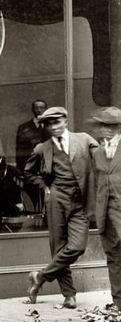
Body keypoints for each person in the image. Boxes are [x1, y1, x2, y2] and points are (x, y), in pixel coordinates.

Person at [25, 106, 98, 309]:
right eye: (49, 124)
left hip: (80, 201)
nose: (53, 127)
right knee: (58, 247)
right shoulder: (42, 148)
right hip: (56, 199)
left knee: (77, 247)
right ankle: (69, 295)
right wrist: (45, 187)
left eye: (57, 122)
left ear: (65, 121)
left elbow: (102, 156)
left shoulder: (83, 139)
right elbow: (28, 173)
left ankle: (40, 276)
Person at [90, 106, 121, 310]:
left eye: (112, 126)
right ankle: (118, 302)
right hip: (105, 213)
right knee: (114, 256)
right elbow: (96, 182)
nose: (107, 130)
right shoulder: (97, 153)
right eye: (103, 125)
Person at [16, 99, 49, 215]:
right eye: (37, 107)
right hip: (30, 168)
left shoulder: (50, 127)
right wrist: (23, 170)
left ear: (45, 109)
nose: (39, 110)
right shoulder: (24, 128)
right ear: (32, 109)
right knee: (31, 199)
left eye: (42, 107)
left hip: (47, 168)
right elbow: (19, 151)